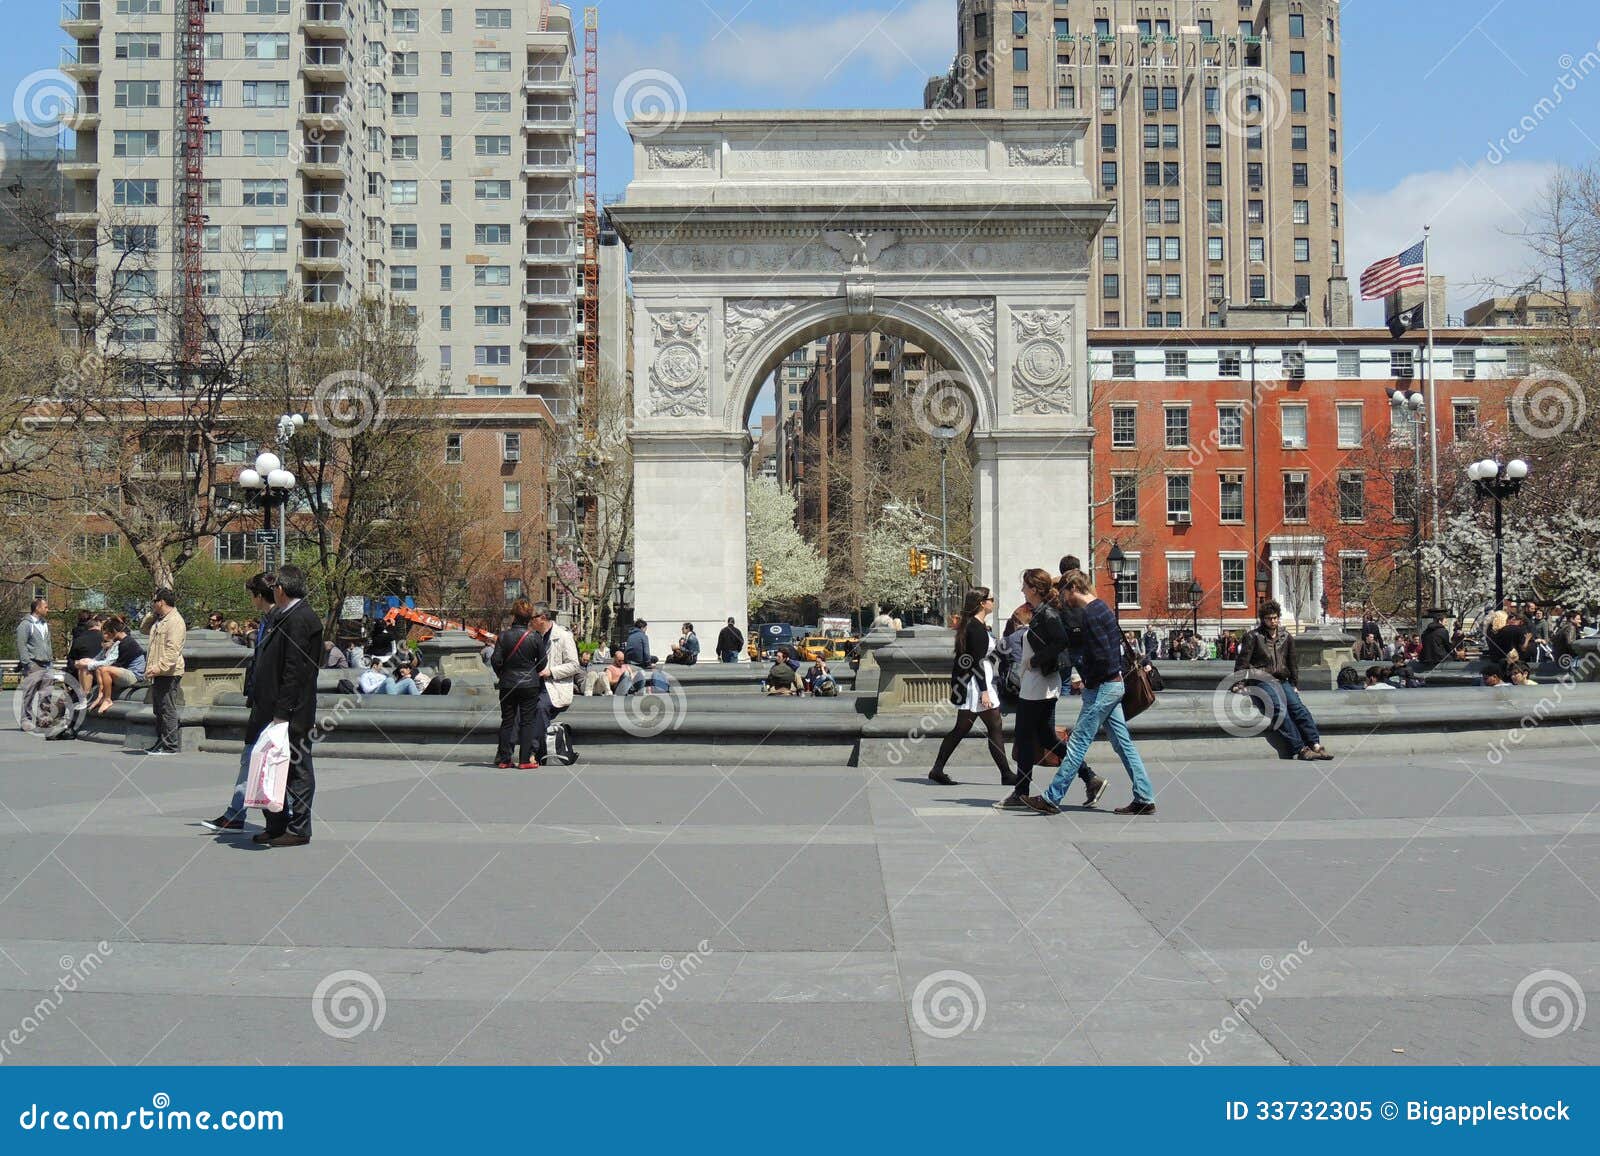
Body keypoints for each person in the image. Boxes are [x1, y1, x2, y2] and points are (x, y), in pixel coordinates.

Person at [1021, 571, 1156, 817]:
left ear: (1073, 588)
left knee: (1077, 744)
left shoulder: (1092, 614)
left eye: (1063, 592)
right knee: (1123, 745)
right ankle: (1144, 797)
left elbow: (1103, 657)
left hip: (1102, 687)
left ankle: (1052, 798)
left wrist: (1085, 677)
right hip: (1110, 685)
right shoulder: (1102, 608)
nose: (1062, 598)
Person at [997, 569, 1107, 813]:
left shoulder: (1047, 614)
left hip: (1040, 684)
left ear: (1034, 589)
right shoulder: (1042, 612)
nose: (1022, 590)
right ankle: (1090, 777)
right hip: (1038, 684)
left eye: (1025, 586)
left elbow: (1061, 642)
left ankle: (1021, 791)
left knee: (1025, 737)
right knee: (1046, 738)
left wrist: (1034, 662)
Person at [247, 565, 323, 847]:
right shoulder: (285, 616)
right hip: (273, 708)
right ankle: (276, 823)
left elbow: (296, 671)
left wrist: (282, 713)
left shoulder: (300, 619)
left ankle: (299, 828)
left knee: (297, 768)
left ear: (280, 589)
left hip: (291, 711)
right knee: (272, 765)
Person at [202, 573, 276, 833]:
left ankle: (241, 815)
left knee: (257, 758)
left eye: (251, 594)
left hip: (271, 705)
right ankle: (238, 813)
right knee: (255, 758)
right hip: (262, 702)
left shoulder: (277, 621)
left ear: (258, 595)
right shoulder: (268, 621)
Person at [926, 587, 1016, 788]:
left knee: (963, 728)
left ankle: (937, 769)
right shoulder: (975, 627)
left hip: (975, 681)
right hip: (976, 683)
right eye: (991, 599)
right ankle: (1006, 774)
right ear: (982, 603)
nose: (994, 601)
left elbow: (980, 657)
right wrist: (984, 691)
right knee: (994, 726)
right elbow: (975, 662)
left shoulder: (977, 625)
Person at [1232, 600, 1332, 762]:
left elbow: (1292, 662)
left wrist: (1294, 683)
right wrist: (1239, 683)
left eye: (1275, 618)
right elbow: (1242, 662)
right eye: (1269, 618)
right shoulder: (1253, 637)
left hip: (1282, 679)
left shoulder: (1286, 637)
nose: (1273, 621)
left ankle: (1315, 744)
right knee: (1279, 710)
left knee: (1299, 709)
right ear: (1262, 619)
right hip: (1262, 679)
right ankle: (1300, 748)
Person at [491, 599, 546, 770]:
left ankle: (505, 759)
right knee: (527, 721)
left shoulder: (504, 636)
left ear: (513, 615)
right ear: (529, 617)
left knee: (507, 721)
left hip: (508, 683)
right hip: (529, 684)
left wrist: (503, 674)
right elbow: (543, 663)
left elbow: (495, 660)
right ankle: (524, 760)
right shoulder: (535, 637)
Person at [530, 602, 580, 763]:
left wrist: (551, 672)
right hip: (537, 685)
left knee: (540, 707)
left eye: (533, 618)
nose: (530, 621)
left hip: (555, 687)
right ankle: (507, 752)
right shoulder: (535, 636)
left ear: (543, 617)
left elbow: (574, 665)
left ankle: (533, 752)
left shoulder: (564, 636)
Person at [142, 588, 187, 756]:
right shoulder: (160, 620)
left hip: (168, 672)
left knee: (167, 708)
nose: (152, 604)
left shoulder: (175, 621)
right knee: (159, 709)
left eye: (154, 601)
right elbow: (143, 629)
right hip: (159, 672)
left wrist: (159, 667)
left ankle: (170, 745)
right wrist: (151, 615)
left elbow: (172, 650)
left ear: (161, 602)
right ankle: (161, 742)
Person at [91, 618, 146, 714]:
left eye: (108, 633)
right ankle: (101, 696)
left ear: (115, 631)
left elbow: (118, 664)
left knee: (105, 670)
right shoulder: (122, 642)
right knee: (100, 669)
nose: (106, 636)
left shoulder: (127, 643)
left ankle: (107, 699)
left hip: (135, 675)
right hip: (126, 671)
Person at [15, 597, 52, 672]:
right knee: (34, 684)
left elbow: (48, 643)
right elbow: (21, 645)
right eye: (45, 607)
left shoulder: (45, 624)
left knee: (48, 684)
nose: (47, 610)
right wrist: (28, 663)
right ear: (37, 608)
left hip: (47, 664)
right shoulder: (26, 624)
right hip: (33, 664)